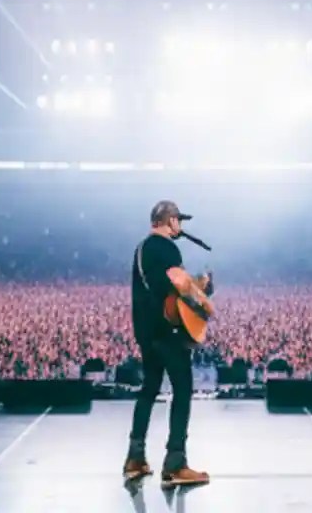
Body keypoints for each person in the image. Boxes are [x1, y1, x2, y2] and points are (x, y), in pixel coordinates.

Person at [122, 200, 212, 487]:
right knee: (183, 388)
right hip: (168, 332)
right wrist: (203, 294)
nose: (181, 227)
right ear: (170, 220)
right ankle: (175, 463)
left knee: (148, 389)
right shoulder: (168, 248)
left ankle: (135, 458)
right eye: (179, 221)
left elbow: (158, 287)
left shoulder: (141, 249)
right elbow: (178, 284)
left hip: (146, 333)